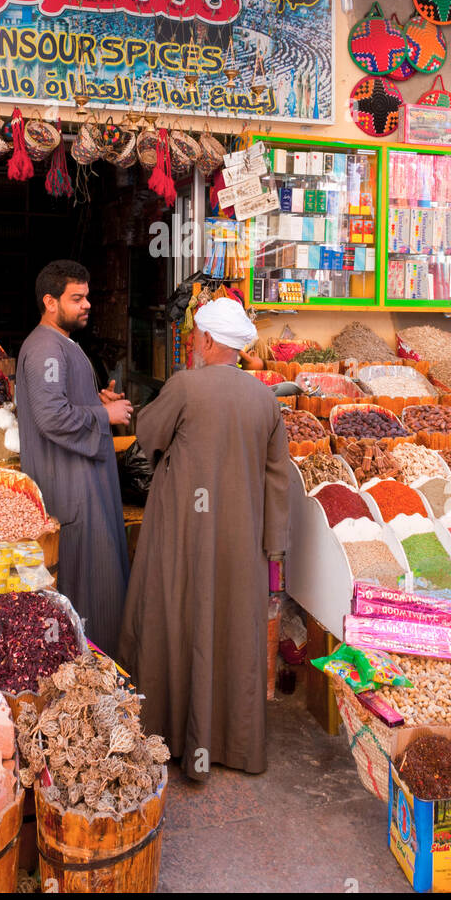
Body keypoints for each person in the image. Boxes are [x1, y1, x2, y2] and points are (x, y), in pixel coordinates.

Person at [118, 297, 298, 781]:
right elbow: (278, 477)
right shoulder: (264, 398)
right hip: (240, 540)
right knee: (232, 631)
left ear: (211, 341)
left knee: (173, 620)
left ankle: (170, 738)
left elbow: (147, 435)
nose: (192, 344)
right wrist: (273, 546)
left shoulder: (186, 386)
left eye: (196, 337)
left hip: (183, 530)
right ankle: (235, 745)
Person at [15, 260, 132, 655]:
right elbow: (51, 416)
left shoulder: (58, 342)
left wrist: (96, 401)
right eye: (76, 298)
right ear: (50, 301)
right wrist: (103, 415)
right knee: (88, 581)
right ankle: (90, 668)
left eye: (87, 297)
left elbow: (60, 402)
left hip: (80, 481)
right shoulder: (48, 347)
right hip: (70, 488)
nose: (87, 305)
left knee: (95, 574)